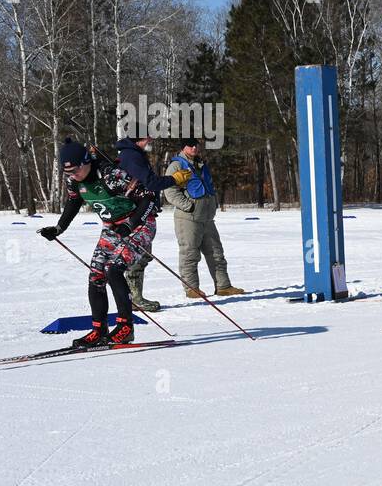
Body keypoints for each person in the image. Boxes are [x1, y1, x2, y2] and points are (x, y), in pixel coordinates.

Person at [39, 139, 190, 347]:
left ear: (86, 162)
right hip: (112, 226)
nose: (72, 176)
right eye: (68, 173)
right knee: (96, 275)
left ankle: (125, 328)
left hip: (140, 223)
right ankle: (99, 330)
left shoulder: (112, 177)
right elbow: (74, 201)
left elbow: (148, 199)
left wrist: (130, 224)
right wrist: (59, 228)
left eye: (74, 170)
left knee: (114, 269)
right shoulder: (74, 180)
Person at [164, 139, 245, 298]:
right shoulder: (176, 166)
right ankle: (192, 289)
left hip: (207, 217)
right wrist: (188, 206)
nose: (194, 148)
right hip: (188, 217)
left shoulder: (201, 164)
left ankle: (223, 286)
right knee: (190, 253)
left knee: (216, 252)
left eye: (196, 145)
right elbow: (170, 191)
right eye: (190, 145)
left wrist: (213, 203)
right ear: (183, 147)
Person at [114, 129, 173, 312]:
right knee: (138, 255)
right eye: (147, 137)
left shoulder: (133, 153)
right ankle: (133, 297)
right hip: (136, 211)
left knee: (143, 255)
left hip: (143, 210)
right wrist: (173, 179)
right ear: (139, 139)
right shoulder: (131, 156)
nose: (150, 140)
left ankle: (134, 296)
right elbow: (150, 182)